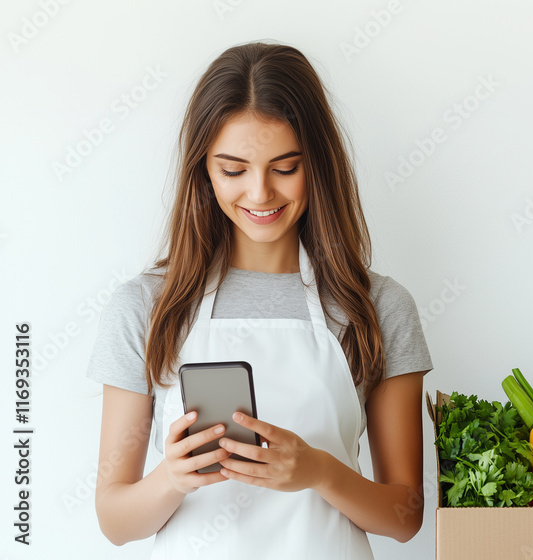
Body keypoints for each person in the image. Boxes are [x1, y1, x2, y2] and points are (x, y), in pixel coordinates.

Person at [86, 41, 432, 559]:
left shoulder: (378, 306)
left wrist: (319, 471)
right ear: (203, 170)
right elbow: (115, 521)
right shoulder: (146, 307)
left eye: (285, 167)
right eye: (233, 170)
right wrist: (172, 478)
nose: (260, 193)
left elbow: (405, 518)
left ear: (318, 163)